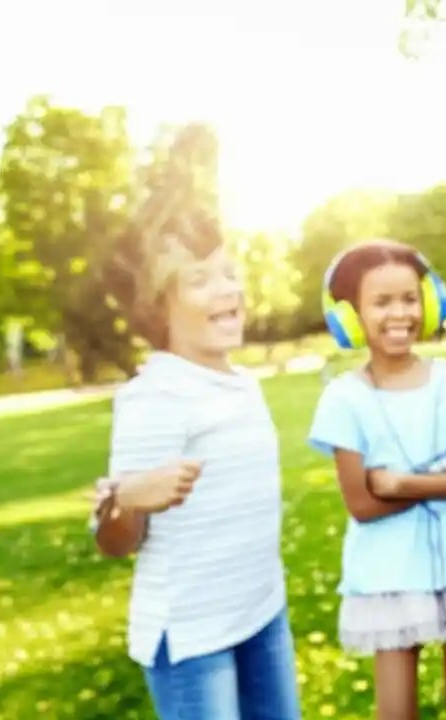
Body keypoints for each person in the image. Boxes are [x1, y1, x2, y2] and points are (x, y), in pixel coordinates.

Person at [90, 211, 300, 719]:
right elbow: (116, 541)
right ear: (160, 306)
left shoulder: (243, 383)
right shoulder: (155, 396)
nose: (227, 289)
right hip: (192, 636)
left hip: (261, 609)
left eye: (229, 273)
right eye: (199, 280)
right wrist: (125, 501)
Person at [307, 239, 446, 720]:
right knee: (397, 711)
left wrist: (399, 484)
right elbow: (361, 504)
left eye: (409, 298)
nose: (400, 313)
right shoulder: (344, 399)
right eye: (381, 302)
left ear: (430, 301)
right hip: (389, 573)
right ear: (351, 316)